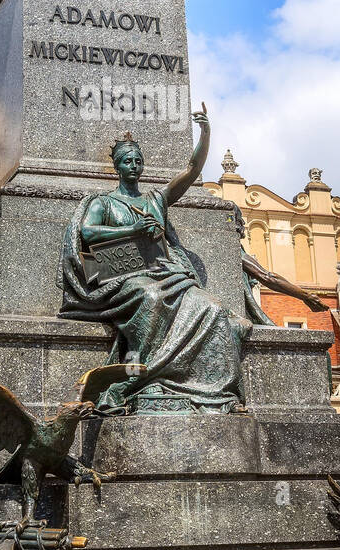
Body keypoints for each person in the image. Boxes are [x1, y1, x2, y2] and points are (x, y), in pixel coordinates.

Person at [59, 109, 251, 413]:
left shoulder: (156, 199)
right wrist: (132, 229)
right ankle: (137, 379)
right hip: (121, 275)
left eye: (138, 161)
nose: (134, 166)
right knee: (151, 299)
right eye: (127, 161)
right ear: (117, 167)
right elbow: (87, 231)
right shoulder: (104, 202)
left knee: (213, 309)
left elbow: (190, 171)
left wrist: (205, 134)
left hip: (164, 271)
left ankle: (209, 387)